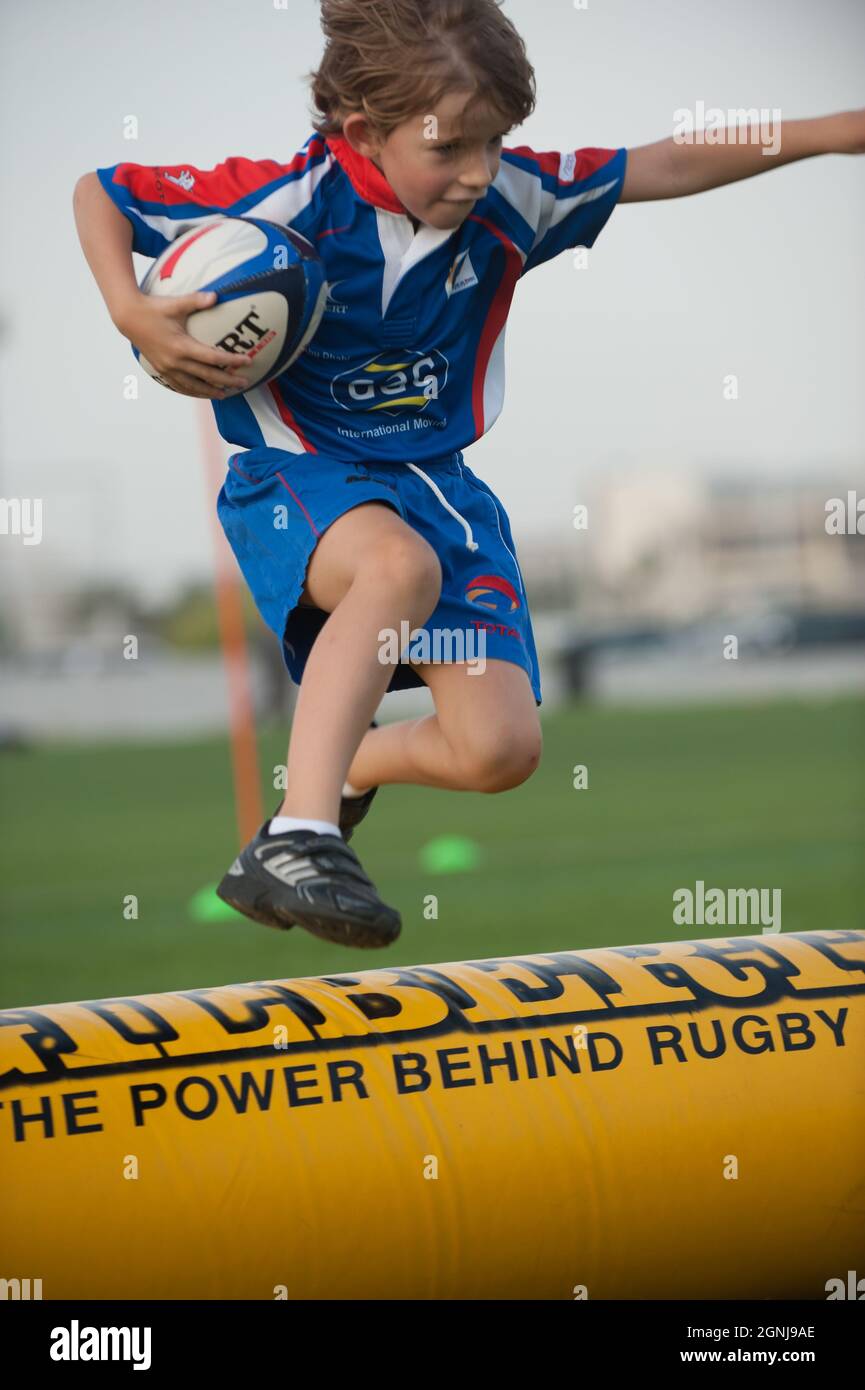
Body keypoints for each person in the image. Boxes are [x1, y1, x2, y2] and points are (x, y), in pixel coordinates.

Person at [73, 0, 863, 950]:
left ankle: (346, 760)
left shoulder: (511, 200)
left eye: (496, 142)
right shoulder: (278, 203)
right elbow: (102, 193)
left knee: (497, 750)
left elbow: (673, 158)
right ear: (365, 131)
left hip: (444, 495)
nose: (479, 171)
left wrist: (835, 133)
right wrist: (130, 309)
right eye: (452, 147)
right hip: (299, 475)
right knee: (392, 571)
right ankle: (298, 835)